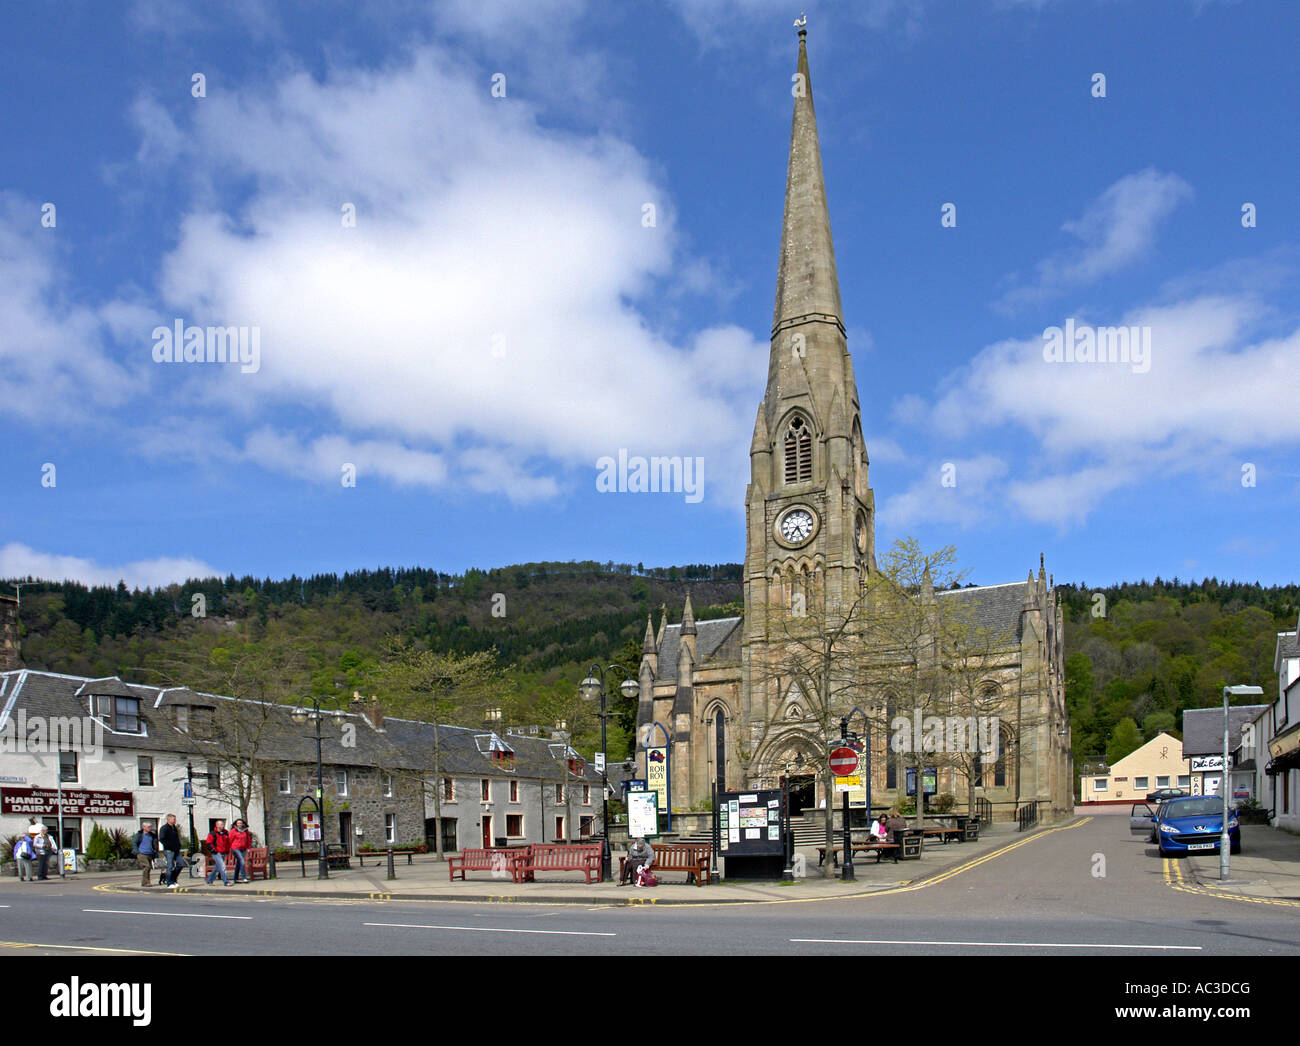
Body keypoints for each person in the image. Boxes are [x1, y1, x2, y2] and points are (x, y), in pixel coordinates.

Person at [159, 814, 185, 889]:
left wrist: (178, 845)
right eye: (173, 819)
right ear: (168, 819)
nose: (175, 820)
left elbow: (176, 838)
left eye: (175, 819)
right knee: (170, 866)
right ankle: (169, 882)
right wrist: (169, 845)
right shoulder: (164, 828)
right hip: (169, 850)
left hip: (176, 849)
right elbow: (161, 839)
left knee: (181, 864)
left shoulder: (174, 828)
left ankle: (173, 879)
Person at [204, 820, 232, 886]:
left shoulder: (225, 833)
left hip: (224, 852)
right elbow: (208, 843)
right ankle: (226, 881)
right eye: (221, 824)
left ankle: (209, 879)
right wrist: (213, 850)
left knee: (217, 867)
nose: (223, 825)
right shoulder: (213, 833)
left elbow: (228, 842)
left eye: (223, 824)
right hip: (216, 853)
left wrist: (228, 850)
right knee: (222, 867)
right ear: (217, 825)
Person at [132, 822, 159, 886]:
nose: (150, 828)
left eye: (150, 827)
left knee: (148, 868)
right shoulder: (139, 835)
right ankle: (146, 882)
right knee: (147, 866)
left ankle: (146, 882)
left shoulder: (152, 835)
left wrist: (156, 854)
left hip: (150, 853)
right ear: (143, 827)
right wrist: (137, 852)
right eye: (148, 827)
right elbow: (134, 843)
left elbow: (155, 845)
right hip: (142, 853)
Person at [228, 819, 253, 883]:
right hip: (235, 848)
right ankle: (244, 877)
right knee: (242, 861)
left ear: (243, 824)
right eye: (238, 823)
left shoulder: (245, 831)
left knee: (239, 863)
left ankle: (235, 878)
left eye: (240, 823)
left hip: (243, 849)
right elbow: (230, 840)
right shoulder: (233, 831)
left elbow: (248, 840)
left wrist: (248, 848)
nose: (239, 824)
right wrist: (229, 848)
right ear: (236, 824)